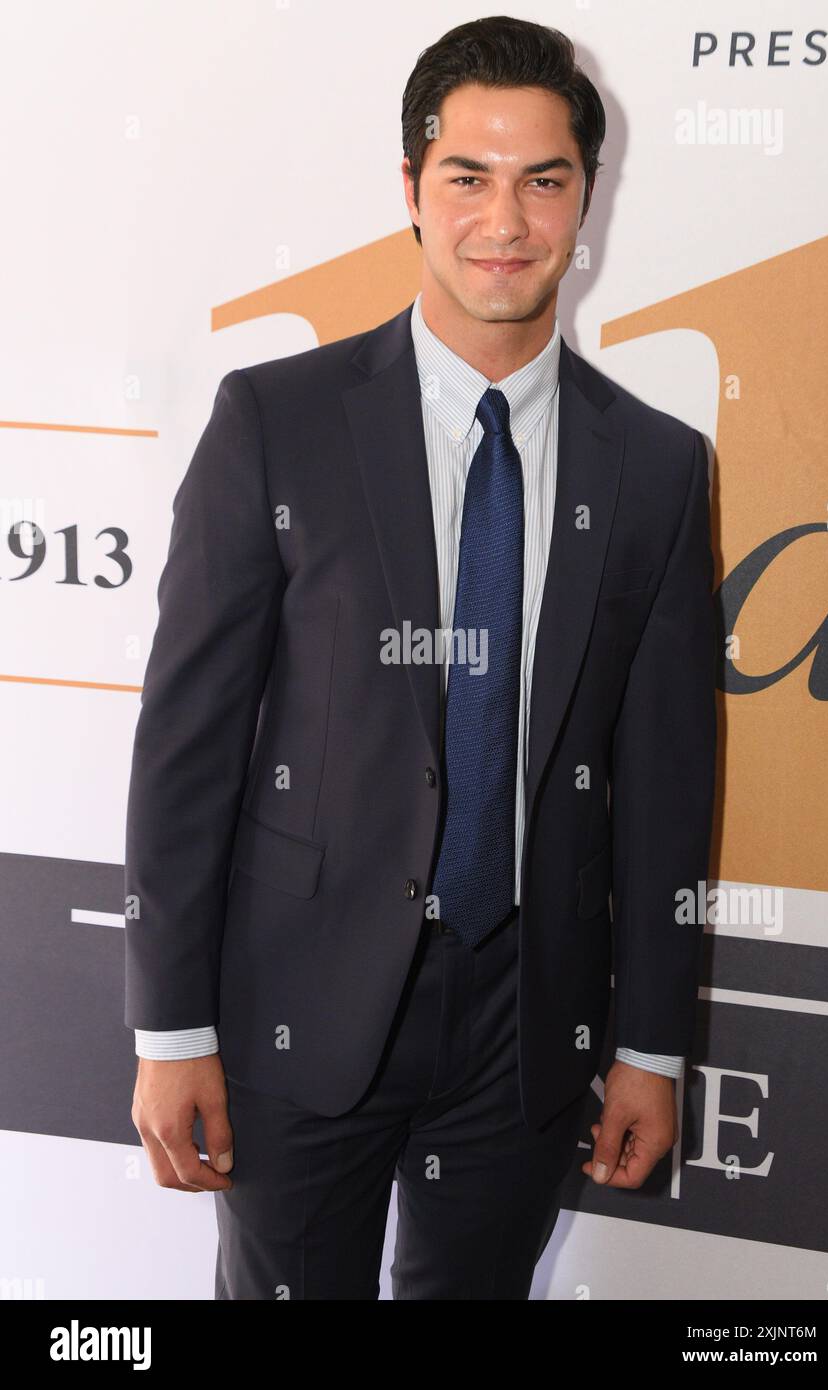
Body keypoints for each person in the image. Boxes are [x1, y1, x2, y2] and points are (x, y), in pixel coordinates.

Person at [125, 15, 716, 1300]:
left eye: (542, 179)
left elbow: (669, 786)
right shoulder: (275, 425)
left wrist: (651, 1049)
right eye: (468, 176)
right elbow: (187, 748)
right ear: (410, 190)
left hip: (526, 1019)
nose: (504, 219)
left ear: (585, 199)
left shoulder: (660, 467)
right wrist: (171, 1027)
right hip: (301, 1001)